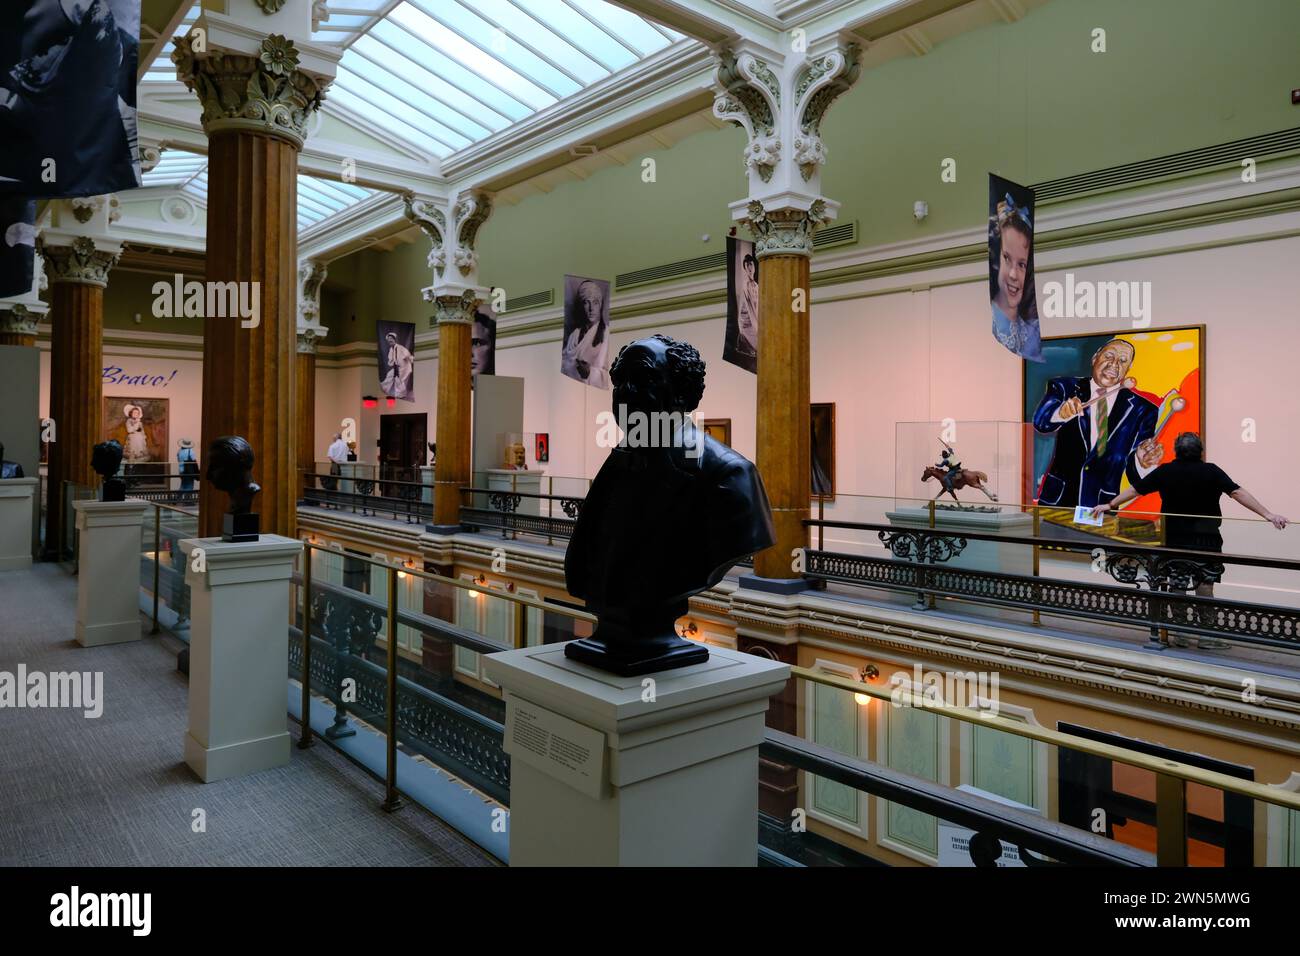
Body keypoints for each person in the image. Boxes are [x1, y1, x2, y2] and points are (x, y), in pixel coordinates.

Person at [1094, 432, 1288, 648]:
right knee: (1205, 586)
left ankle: (1182, 634)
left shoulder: (1165, 471)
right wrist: (1268, 514)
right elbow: (1237, 492)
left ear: (1176, 451)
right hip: (1206, 539)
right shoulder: (1211, 471)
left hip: (1174, 538)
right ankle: (1207, 636)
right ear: (1201, 451)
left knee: (1177, 584)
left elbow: (1135, 490)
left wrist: (1110, 505)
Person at [1031, 337, 1162, 510]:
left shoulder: (1144, 410)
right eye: (1109, 356)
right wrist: (1060, 413)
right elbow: (1041, 422)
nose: (1114, 364)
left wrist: (1142, 462)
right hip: (1059, 501)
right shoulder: (1064, 387)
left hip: (1102, 505)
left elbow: (1135, 474)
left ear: (1128, 369)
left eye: (1123, 361)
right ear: (1095, 358)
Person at [989, 196, 1043, 362]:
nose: (1013, 274)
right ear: (997, 258)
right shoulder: (988, 323)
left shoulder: (1032, 331)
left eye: (1022, 265)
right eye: (1006, 258)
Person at [561, 279, 610, 388]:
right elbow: (564, 366)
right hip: (572, 393)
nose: (591, 308)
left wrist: (590, 373)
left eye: (595, 302)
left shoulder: (606, 334)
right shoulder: (574, 335)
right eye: (586, 302)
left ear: (600, 305)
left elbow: (612, 377)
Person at [736, 253, 758, 359]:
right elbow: (750, 308)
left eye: (751, 264)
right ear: (745, 268)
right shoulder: (746, 285)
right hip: (747, 324)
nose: (750, 268)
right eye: (747, 265)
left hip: (755, 321)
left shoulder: (756, 285)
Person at [380, 330, 413, 400]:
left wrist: (411, 359)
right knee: (390, 375)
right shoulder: (391, 349)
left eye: (391, 339)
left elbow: (408, 355)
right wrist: (392, 362)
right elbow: (390, 360)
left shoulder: (400, 348)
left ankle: (401, 394)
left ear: (394, 339)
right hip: (397, 367)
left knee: (400, 380)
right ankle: (385, 389)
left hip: (404, 367)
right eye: (389, 340)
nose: (390, 340)